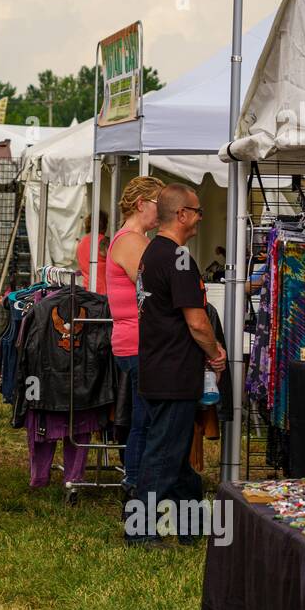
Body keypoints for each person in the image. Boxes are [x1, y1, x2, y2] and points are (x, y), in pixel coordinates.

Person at [128, 183, 226, 546]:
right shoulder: (178, 258)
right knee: (164, 456)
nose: (201, 217)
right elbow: (197, 321)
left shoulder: (153, 252)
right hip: (173, 371)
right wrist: (216, 354)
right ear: (182, 214)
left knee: (176, 454)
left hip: (157, 366)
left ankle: (192, 527)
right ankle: (140, 532)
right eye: (198, 211)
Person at [105, 175, 164, 497]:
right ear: (142, 204)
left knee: (145, 415)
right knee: (146, 418)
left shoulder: (132, 238)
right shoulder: (131, 241)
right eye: (160, 204)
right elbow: (155, 287)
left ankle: (138, 481)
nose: (164, 211)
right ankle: (136, 484)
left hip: (135, 340)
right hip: (137, 341)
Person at [76, 211, 110, 294]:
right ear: (105, 225)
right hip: (103, 291)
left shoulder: (80, 243)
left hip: (87, 289)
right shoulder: (104, 241)